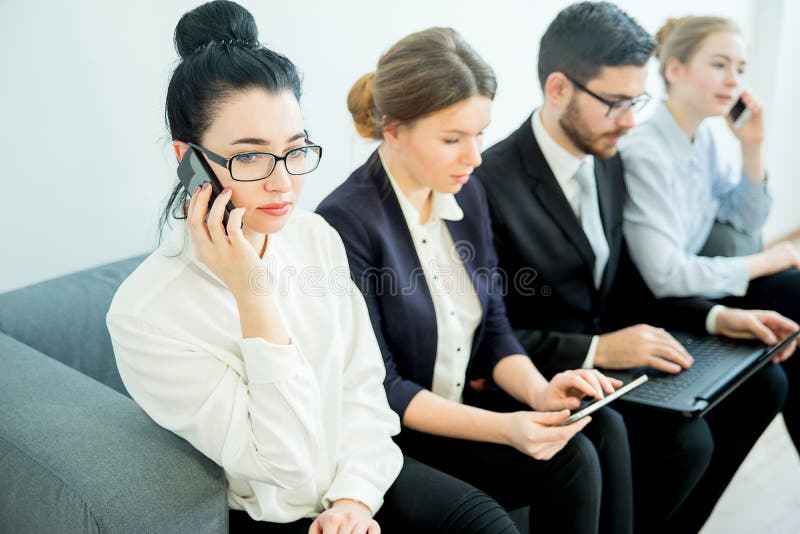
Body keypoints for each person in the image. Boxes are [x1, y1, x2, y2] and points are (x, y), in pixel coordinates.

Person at [106, 2, 519, 533]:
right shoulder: (146, 314)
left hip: (362, 483)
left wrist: (356, 498)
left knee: (488, 525)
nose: (284, 183)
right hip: (279, 516)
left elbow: (364, 393)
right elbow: (290, 470)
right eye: (249, 157)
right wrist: (252, 294)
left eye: (295, 150)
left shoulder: (313, 236)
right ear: (188, 158)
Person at [474, 2, 793, 533]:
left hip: (615, 349)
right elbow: (490, 338)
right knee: (685, 442)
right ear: (558, 89)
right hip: (548, 371)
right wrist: (599, 349)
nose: (630, 119)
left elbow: (624, 283)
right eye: (617, 103)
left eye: (637, 100)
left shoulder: (606, 156)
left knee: (765, 383)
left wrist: (715, 317)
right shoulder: (490, 186)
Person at [317, 26, 633, 534]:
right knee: (571, 459)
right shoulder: (345, 222)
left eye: (480, 133)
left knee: (602, 428)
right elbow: (385, 389)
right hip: (394, 437)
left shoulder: (467, 195)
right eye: (453, 139)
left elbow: (494, 329)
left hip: (460, 404)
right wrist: (508, 428)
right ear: (393, 130)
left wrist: (540, 392)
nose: (475, 156)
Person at [619, 15, 800, 454]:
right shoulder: (644, 152)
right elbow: (666, 277)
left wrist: (752, 146)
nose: (733, 80)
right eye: (720, 65)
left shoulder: (709, 137)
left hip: (694, 283)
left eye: (740, 68)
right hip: (655, 301)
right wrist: (767, 260)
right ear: (674, 70)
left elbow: (747, 218)